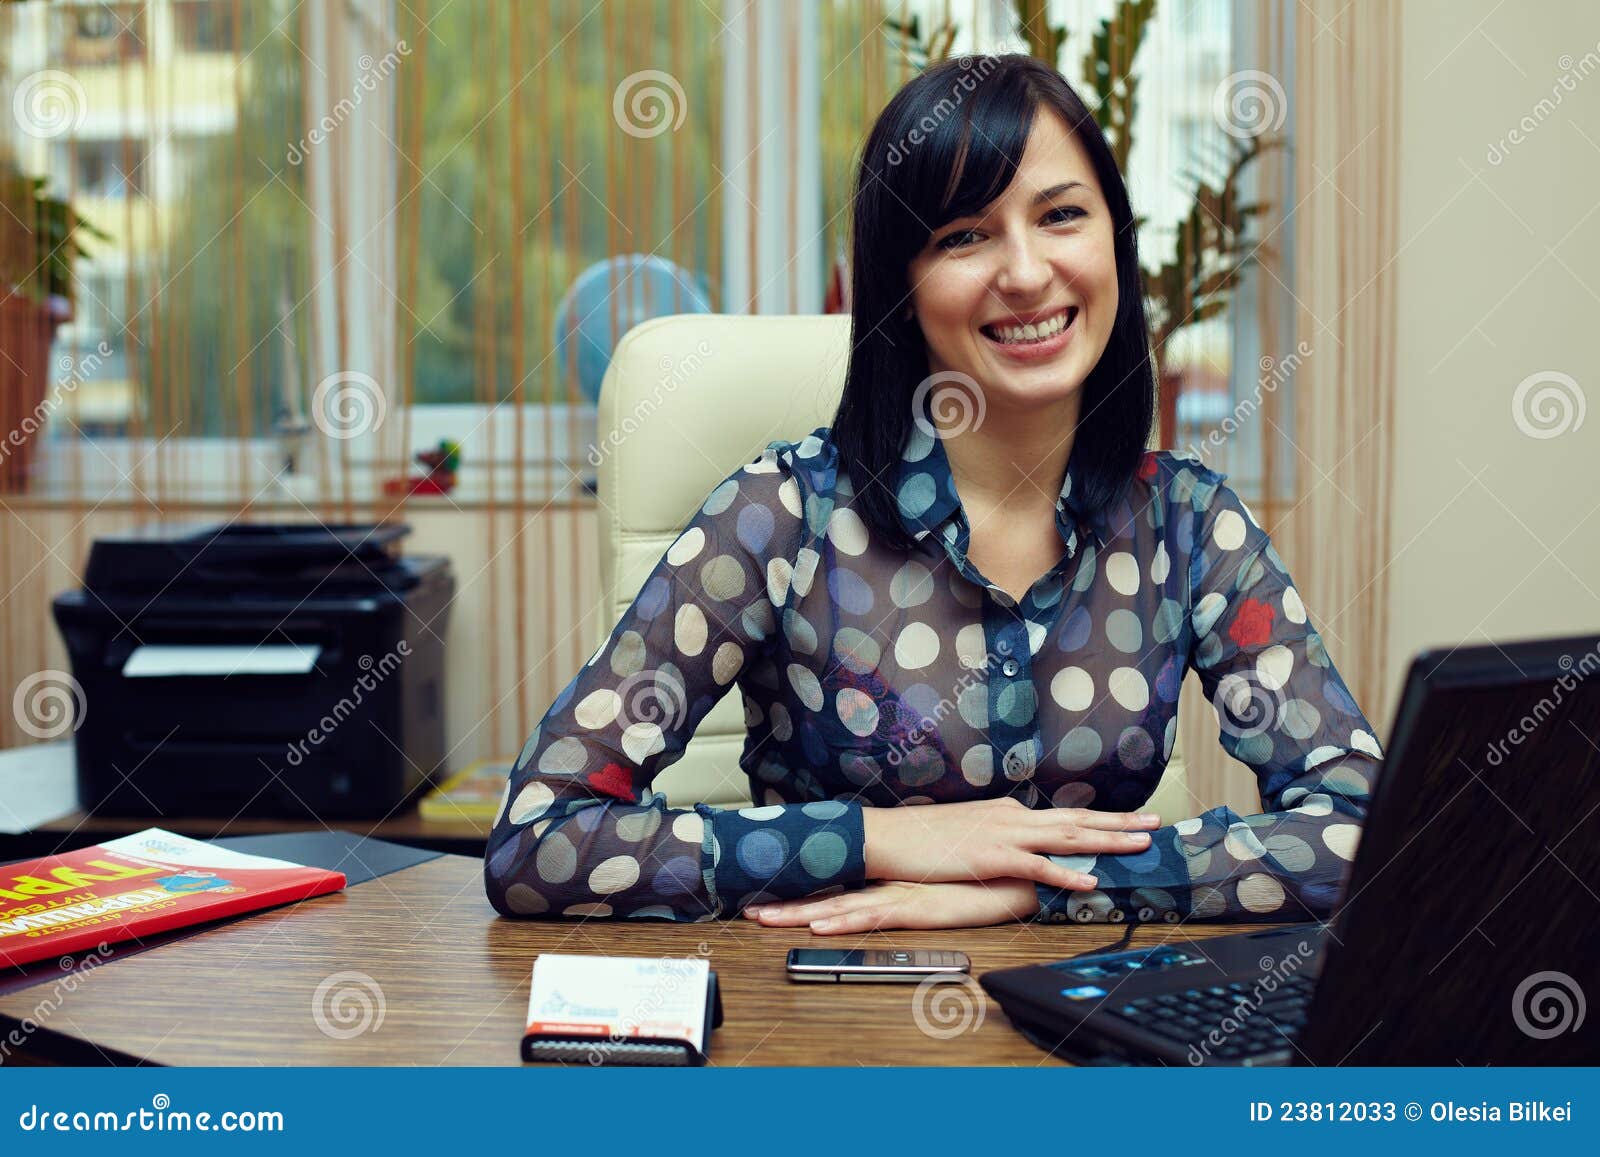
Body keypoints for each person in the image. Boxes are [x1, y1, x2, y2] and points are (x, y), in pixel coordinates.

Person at [483, 53, 1382, 933]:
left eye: (1062, 215)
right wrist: (884, 838)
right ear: (901, 287)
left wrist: (1045, 884)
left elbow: (1364, 834)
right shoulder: (780, 518)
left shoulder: (1188, 525)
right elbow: (538, 840)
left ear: (1115, 242)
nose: (1026, 272)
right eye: (963, 236)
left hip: (1084, 1024)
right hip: (827, 1031)